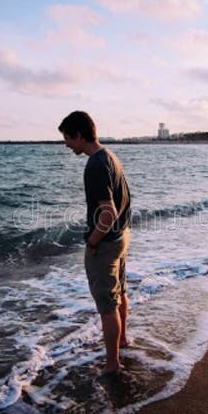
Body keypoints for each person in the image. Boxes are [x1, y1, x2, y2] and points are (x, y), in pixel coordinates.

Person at [58, 111, 132, 375]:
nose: (66, 144)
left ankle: (112, 365)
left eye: (67, 138)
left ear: (78, 135)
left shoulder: (95, 165)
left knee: (107, 305)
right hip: (122, 237)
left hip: (107, 243)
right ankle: (122, 341)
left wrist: (93, 240)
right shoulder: (111, 157)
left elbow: (108, 212)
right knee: (120, 293)